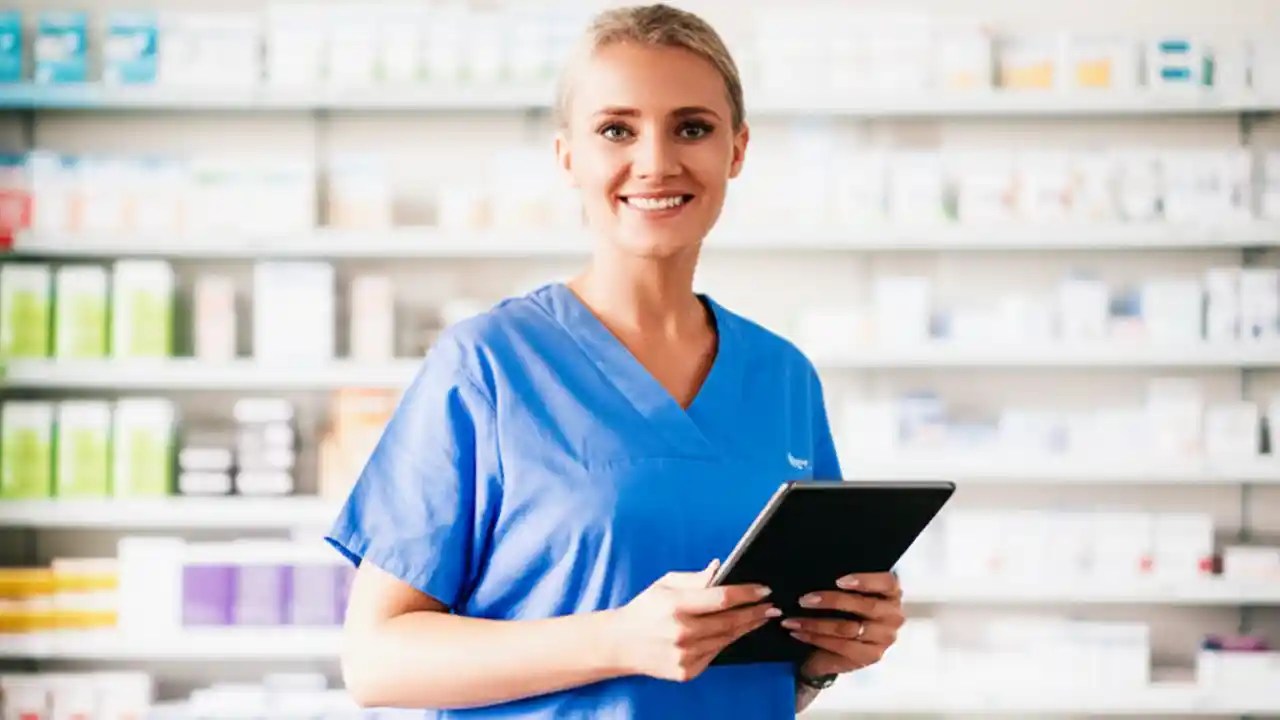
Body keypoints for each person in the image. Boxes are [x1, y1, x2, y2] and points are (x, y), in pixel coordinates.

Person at [326, 4, 905, 718]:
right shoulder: (488, 366)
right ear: (568, 155)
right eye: (616, 130)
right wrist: (617, 640)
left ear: (737, 150)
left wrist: (825, 658)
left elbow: (759, 679)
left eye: (692, 128)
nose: (656, 162)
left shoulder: (783, 377)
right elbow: (375, 662)